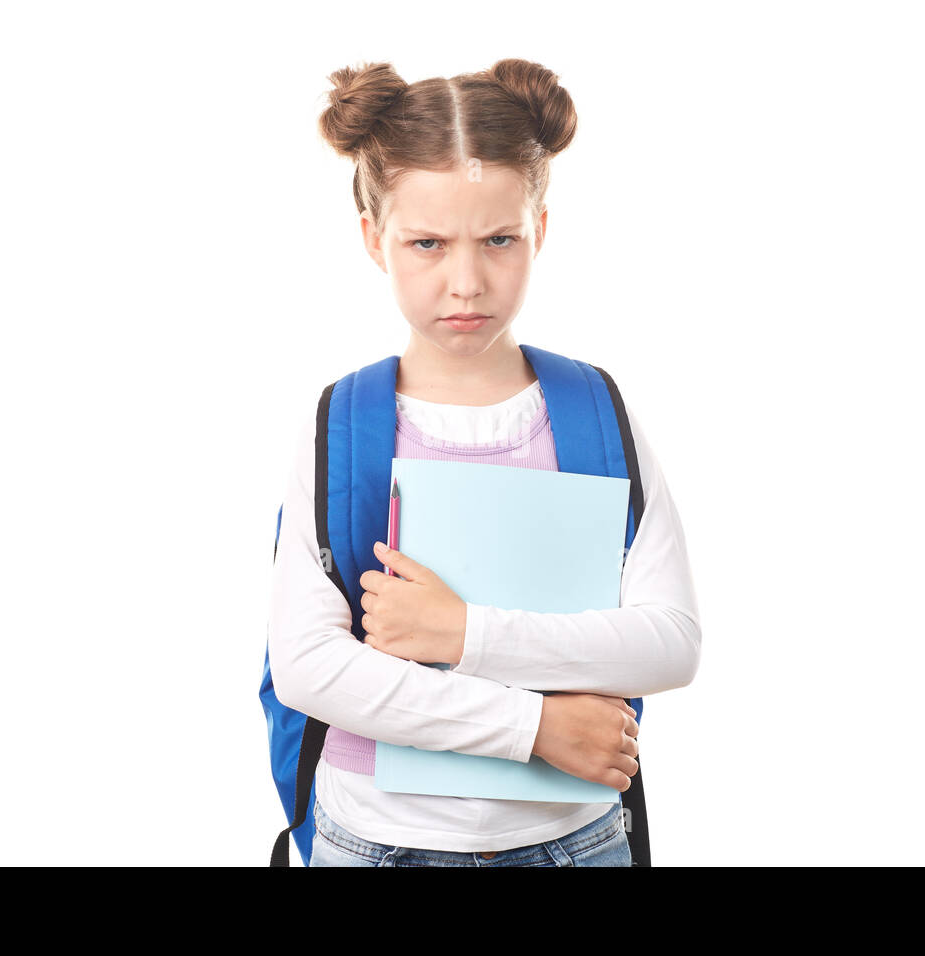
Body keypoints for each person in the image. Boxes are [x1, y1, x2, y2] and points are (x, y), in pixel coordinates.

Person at [267, 58, 702, 867]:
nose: (465, 282)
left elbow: (670, 642)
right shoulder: (343, 425)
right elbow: (307, 668)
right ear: (373, 238)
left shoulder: (595, 412)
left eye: (498, 239)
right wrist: (534, 728)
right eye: (426, 243)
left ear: (540, 228)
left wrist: (459, 633)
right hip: (375, 843)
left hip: (575, 842)